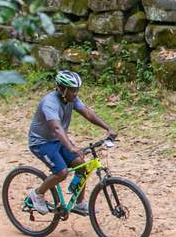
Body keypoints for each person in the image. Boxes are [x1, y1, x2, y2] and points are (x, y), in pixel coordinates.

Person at [26, 70, 115, 216]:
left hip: (58, 139)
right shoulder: (50, 103)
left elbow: (87, 113)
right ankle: (37, 194)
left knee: (81, 165)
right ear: (61, 89)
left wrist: (108, 128)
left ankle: (79, 203)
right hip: (41, 143)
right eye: (73, 90)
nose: (75, 93)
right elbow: (56, 128)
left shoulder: (71, 99)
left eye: (77, 90)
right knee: (62, 172)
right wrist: (71, 147)